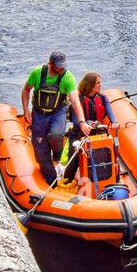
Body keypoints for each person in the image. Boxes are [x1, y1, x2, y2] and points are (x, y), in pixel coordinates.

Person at [20, 52, 89, 185]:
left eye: (64, 66)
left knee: (56, 135)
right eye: (59, 67)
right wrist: (25, 110)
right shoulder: (37, 73)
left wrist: (81, 121)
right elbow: (26, 90)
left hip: (58, 113)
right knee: (40, 152)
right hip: (39, 114)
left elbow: (75, 101)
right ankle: (52, 181)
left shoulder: (67, 77)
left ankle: (57, 155)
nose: (62, 69)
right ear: (50, 63)